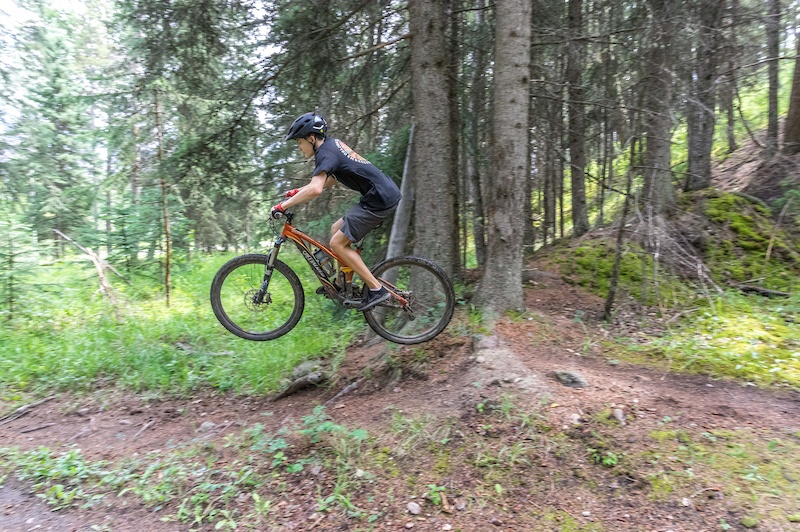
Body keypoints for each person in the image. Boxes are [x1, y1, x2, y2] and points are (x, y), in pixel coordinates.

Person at [271, 112, 402, 312]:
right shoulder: (331, 146)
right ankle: (343, 284)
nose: (299, 147)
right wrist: (298, 192)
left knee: (336, 243)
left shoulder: (325, 153)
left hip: (379, 200)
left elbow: (316, 189)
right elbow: (330, 180)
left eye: (299, 142)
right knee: (336, 229)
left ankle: (377, 290)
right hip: (380, 195)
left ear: (311, 138)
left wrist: (282, 206)